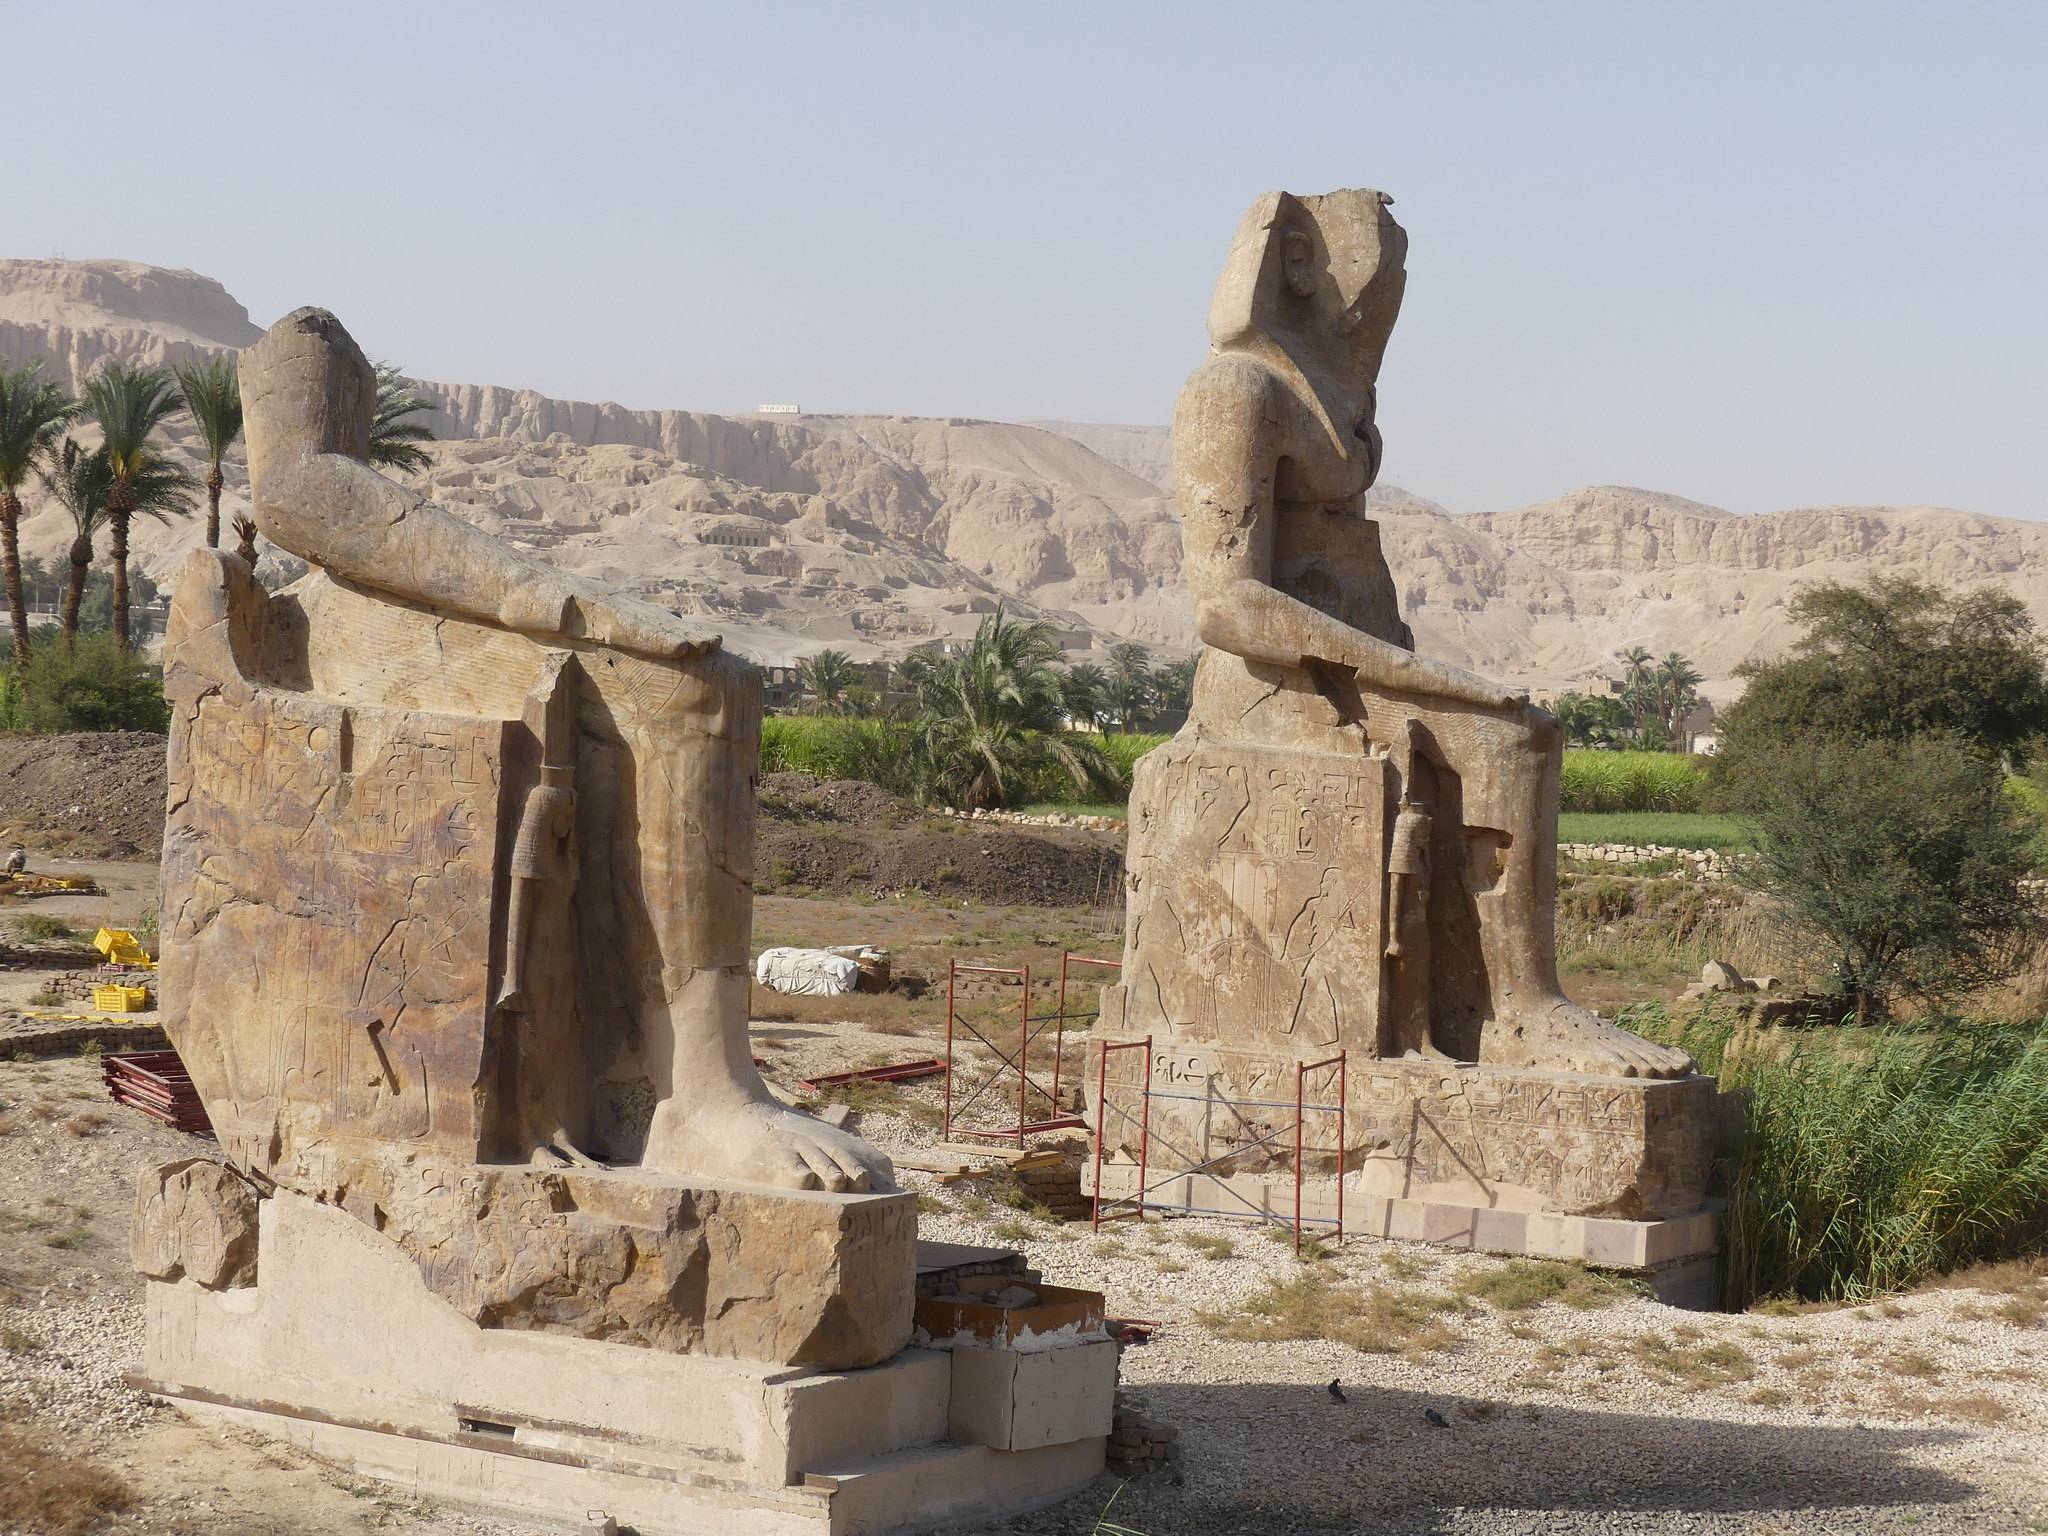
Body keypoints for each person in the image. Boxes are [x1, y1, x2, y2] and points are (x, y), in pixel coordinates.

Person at [1175, 189, 1690, 1078]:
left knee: (1510, 726)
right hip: (1273, 686)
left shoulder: (1324, 393)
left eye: (1400, 277)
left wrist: (1412, 672)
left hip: (1346, 668)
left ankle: (1487, 1010)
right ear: (1296, 265)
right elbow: (1225, 606)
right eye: (1380, 274)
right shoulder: (1236, 388)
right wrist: (1419, 677)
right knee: (1508, 739)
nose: (1390, 299)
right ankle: (1523, 1015)